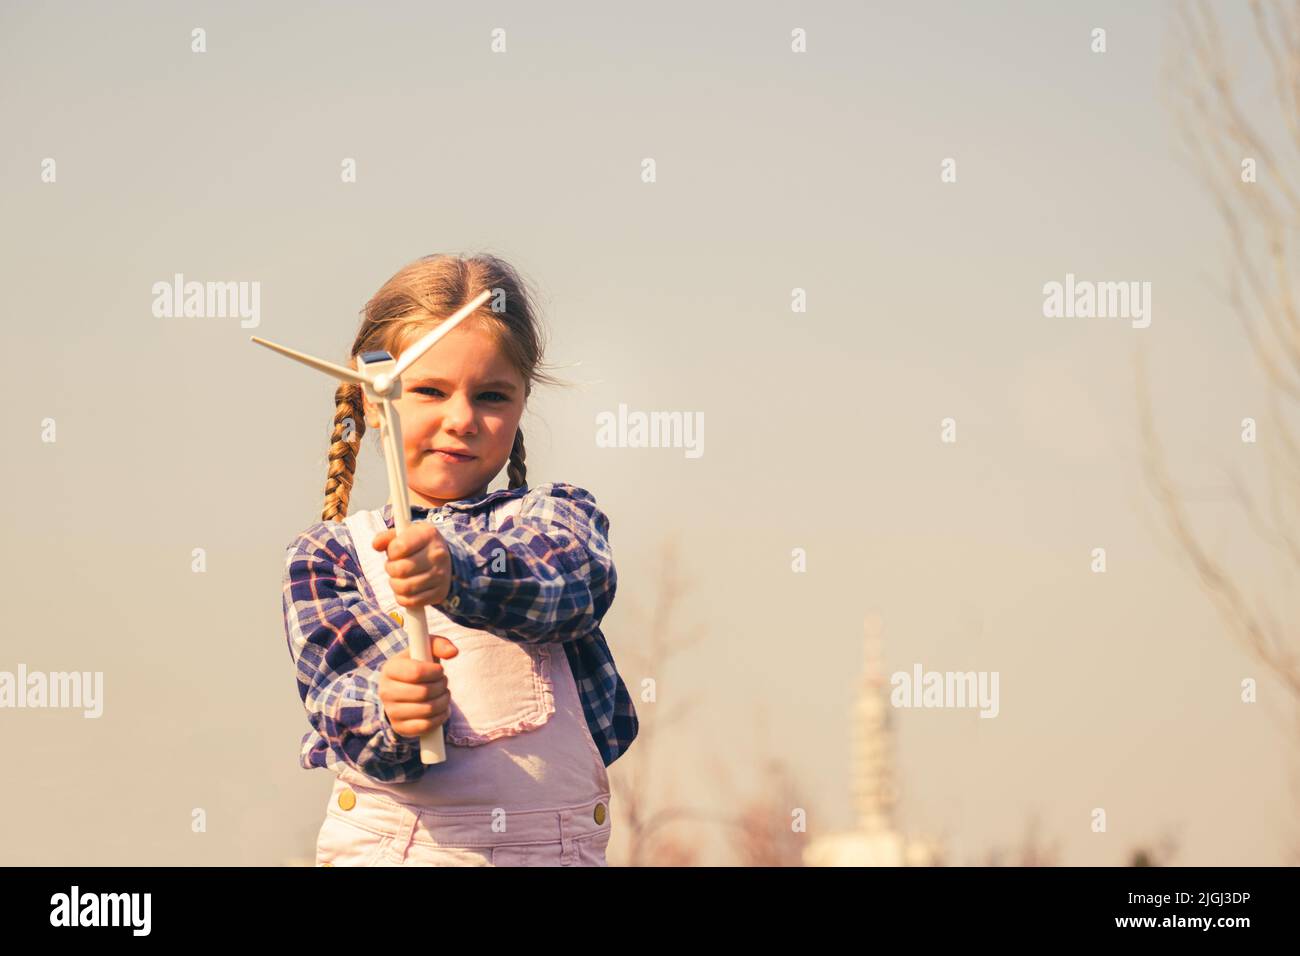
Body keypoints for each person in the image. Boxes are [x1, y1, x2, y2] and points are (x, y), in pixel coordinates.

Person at [281, 253, 638, 866]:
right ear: (374, 396)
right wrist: (393, 709)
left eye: (492, 395)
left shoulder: (558, 518)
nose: (462, 419)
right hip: (403, 850)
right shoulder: (329, 556)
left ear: (523, 401)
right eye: (428, 390)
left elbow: (571, 588)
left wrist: (460, 573)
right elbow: (345, 708)